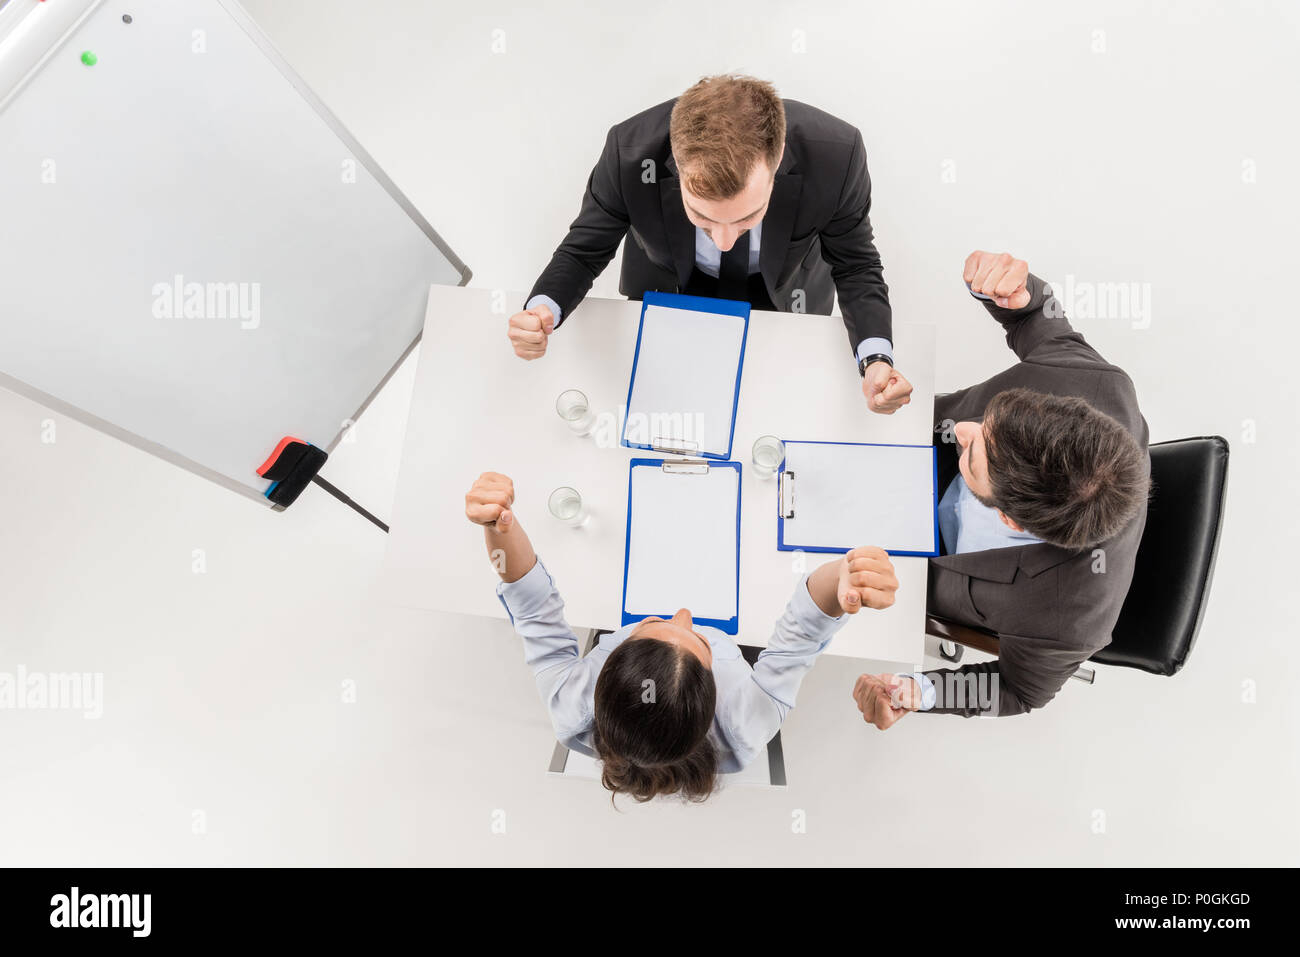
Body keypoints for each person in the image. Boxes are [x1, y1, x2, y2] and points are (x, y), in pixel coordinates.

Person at [465, 471, 899, 801]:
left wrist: (497, 527)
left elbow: (532, 606)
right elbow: (802, 632)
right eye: (703, 643)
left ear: (605, 665)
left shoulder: (570, 704)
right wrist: (842, 580)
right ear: (714, 697)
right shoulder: (748, 722)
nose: (686, 613)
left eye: (654, 625)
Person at [854, 250, 1151, 726]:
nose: (964, 431)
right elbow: (1037, 313)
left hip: (890, 562)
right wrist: (1014, 291)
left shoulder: (1066, 621)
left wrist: (918, 692)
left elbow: (1017, 690)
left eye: (973, 455)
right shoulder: (1096, 386)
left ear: (1009, 519)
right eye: (991, 422)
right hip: (879, 434)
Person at [506, 73, 913, 415]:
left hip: (785, 297)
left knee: (776, 412)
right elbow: (583, 250)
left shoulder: (837, 155)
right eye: (702, 218)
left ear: (777, 162)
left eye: (746, 218)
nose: (723, 240)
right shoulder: (628, 152)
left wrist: (876, 358)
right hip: (671, 289)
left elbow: (856, 264)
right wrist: (542, 310)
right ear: (676, 164)